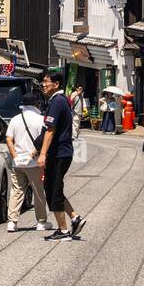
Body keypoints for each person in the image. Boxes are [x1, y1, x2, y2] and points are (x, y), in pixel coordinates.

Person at [37, 70, 87, 240]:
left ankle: (63, 231)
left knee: (53, 191)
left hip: (59, 153)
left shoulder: (57, 102)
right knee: (53, 189)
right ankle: (75, 218)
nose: (43, 84)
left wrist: (42, 154)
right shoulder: (59, 100)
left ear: (56, 84)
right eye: (43, 81)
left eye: (46, 81)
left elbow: (50, 130)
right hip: (61, 153)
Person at [5, 91, 51, 232]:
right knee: (38, 192)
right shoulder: (41, 119)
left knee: (17, 191)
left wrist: (15, 155)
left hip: (18, 163)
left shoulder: (15, 119)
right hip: (35, 162)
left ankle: (12, 222)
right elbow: (44, 139)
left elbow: (8, 139)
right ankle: (41, 222)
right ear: (36, 103)